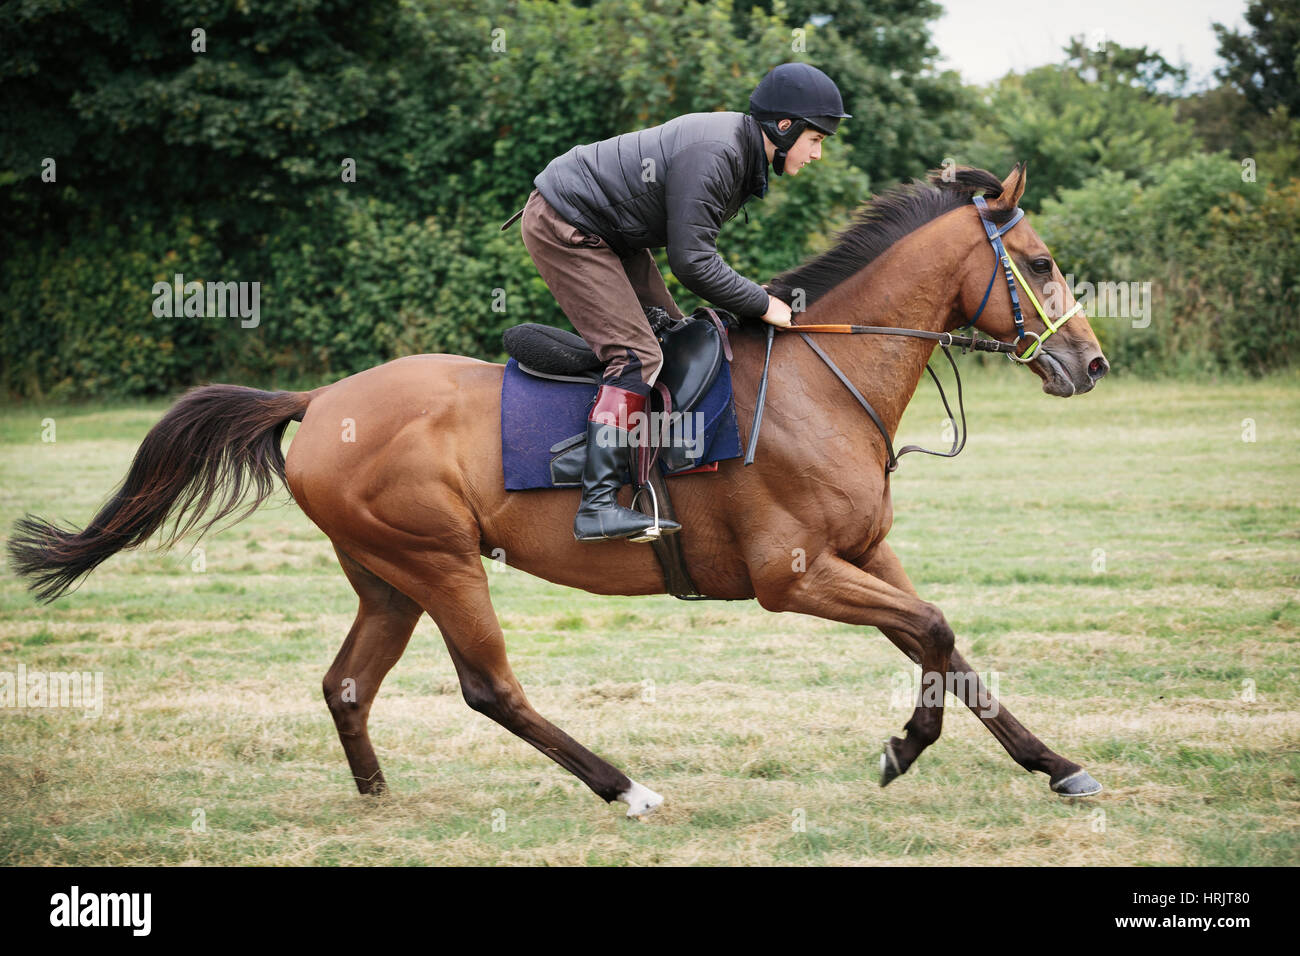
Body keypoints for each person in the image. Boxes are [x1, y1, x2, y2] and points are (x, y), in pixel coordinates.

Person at [512, 62, 850, 542]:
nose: (818, 154)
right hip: (569, 224)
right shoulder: (719, 153)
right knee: (638, 356)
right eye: (817, 140)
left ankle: (657, 466)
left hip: (610, 231)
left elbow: (694, 256)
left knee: (675, 339)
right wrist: (761, 302)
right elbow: (693, 263)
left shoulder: (739, 150)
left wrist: (756, 300)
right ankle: (597, 507)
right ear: (785, 126)